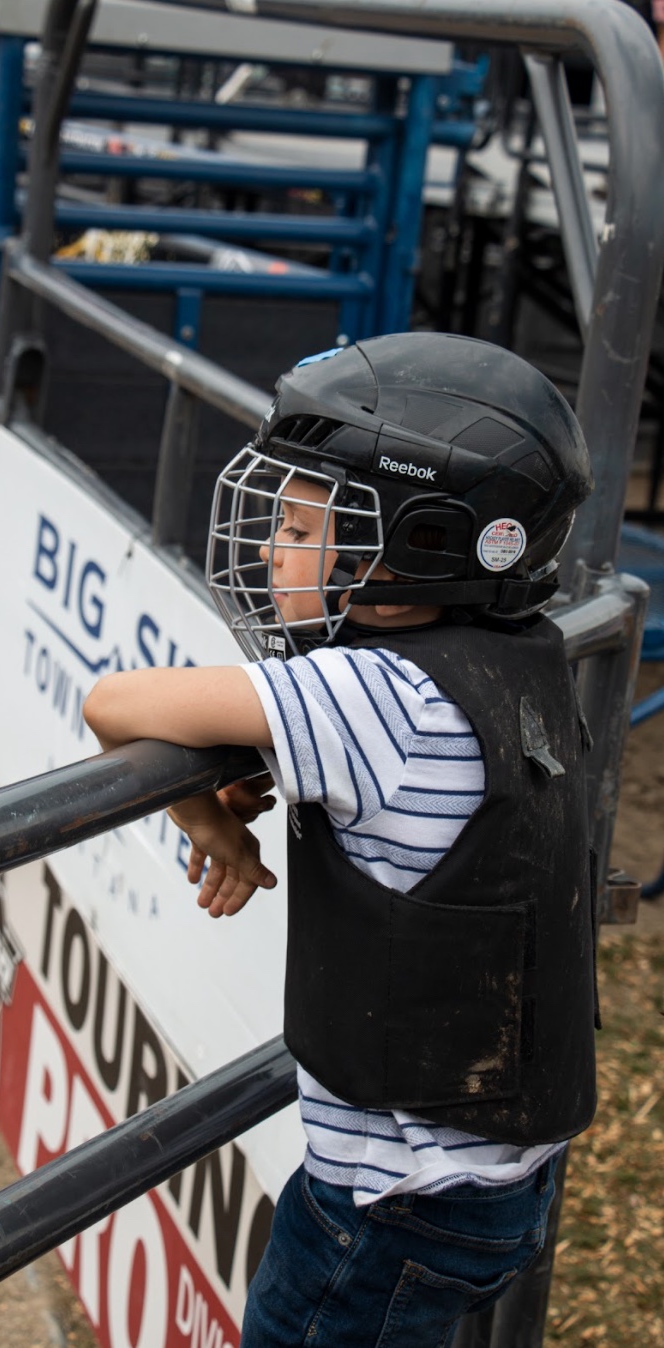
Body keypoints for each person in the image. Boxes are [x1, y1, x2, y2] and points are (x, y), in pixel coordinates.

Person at [83, 333, 599, 1347]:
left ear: (422, 540)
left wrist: (207, 826)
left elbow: (115, 703)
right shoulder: (514, 657)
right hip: (495, 1183)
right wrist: (263, 772)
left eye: (301, 519)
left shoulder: (367, 693)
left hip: (386, 1210)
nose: (270, 542)